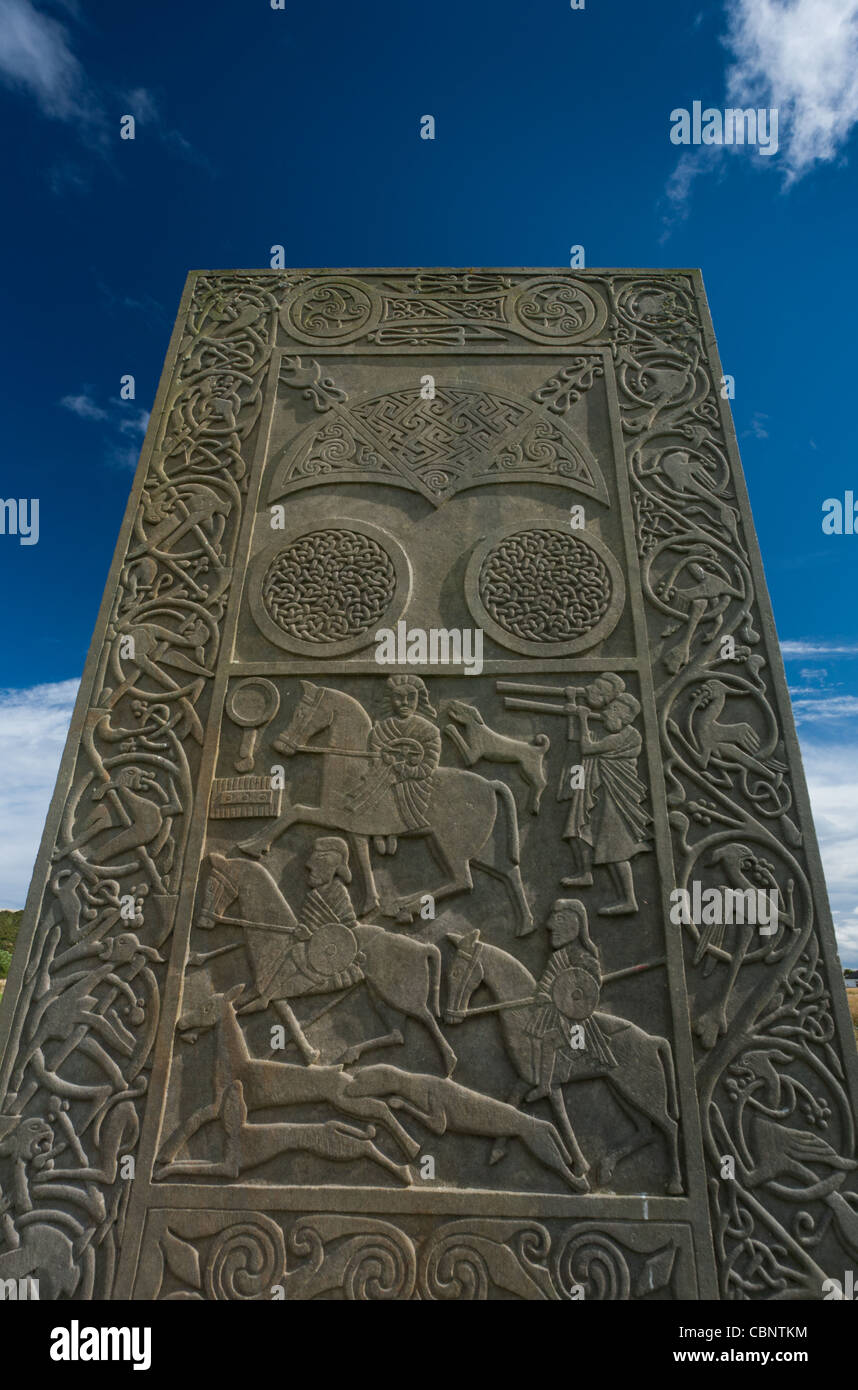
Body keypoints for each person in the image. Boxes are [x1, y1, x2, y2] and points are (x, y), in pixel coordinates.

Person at [561, 684, 651, 915]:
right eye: (608, 708)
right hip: (602, 794)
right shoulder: (616, 733)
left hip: (617, 799)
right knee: (579, 832)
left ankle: (629, 900)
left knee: (616, 850)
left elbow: (587, 748)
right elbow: (578, 743)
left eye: (613, 710)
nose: (607, 713)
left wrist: (582, 719)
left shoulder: (628, 736)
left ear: (625, 715)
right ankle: (585, 873)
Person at [524, 899, 616, 1099]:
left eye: (559, 919)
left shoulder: (586, 959)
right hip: (555, 1015)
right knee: (532, 1035)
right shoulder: (558, 957)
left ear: (575, 924)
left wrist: (574, 997)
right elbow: (546, 983)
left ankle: (546, 1086)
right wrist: (543, 995)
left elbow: (590, 992)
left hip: (578, 1022)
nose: (549, 926)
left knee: (549, 1040)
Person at [346, 675, 441, 853]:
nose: (404, 703)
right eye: (398, 697)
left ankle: (391, 830)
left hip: (414, 782)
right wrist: (385, 760)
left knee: (391, 787)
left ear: (419, 699)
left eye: (410, 697)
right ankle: (378, 828)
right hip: (383, 775)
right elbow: (375, 756)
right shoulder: (381, 729)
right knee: (371, 786)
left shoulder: (429, 731)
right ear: (390, 700)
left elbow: (429, 765)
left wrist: (404, 768)